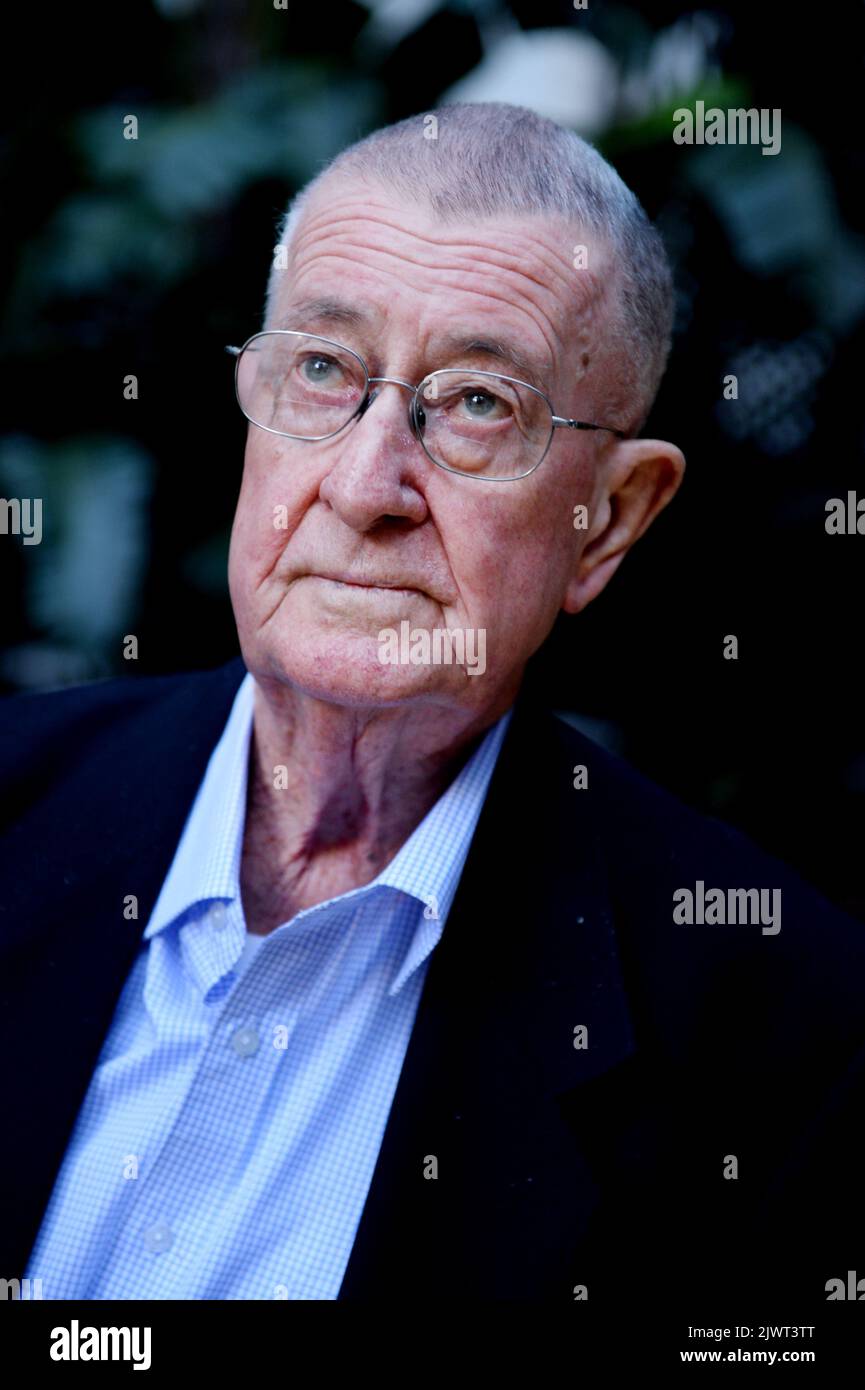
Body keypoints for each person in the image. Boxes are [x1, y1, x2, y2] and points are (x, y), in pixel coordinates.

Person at [1, 102, 862, 1307]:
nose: (364, 485)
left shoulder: (781, 1029)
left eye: (475, 405)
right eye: (320, 370)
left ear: (606, 520)